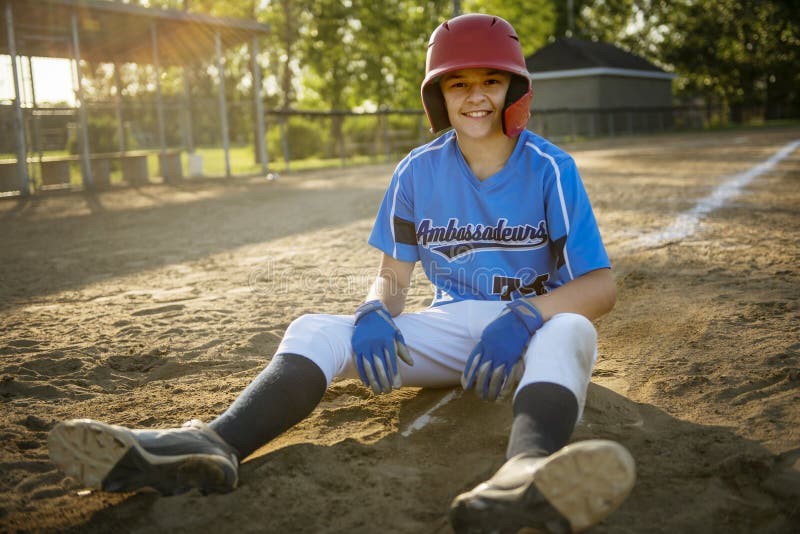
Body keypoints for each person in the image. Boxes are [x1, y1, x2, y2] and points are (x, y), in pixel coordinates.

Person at [48, 13, 635, 533]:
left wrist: (527, 315)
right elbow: (394, 277)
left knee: (573, 330)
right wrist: (375, 309)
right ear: (439, 96)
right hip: (454, 330)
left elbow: (599, 287)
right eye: (458, 83)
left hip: (529, 336)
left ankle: (524, 471)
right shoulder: (417, 172)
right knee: (318, 328)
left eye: (490, 81)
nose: (475, 96)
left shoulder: (550, 169)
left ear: (514, 90)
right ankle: (216, 443)